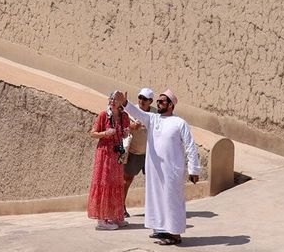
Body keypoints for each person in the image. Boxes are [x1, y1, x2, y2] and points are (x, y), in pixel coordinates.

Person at [124, 89, 201, 246]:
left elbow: (190, 146)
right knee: (157, 199)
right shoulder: (152, 118)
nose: (158, 104)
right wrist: (125, 103)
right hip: (155, 170)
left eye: (161, 102)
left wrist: (193, 170)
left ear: (170, 105)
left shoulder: (180, 123)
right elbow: (137, 113)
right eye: (157, 101)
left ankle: (175, 234)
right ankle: (161, 229)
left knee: (172, 201)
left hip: (172, 171)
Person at [86, 90, 131, 230]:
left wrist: (126, 132)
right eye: (111, 98)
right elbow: (92, 133)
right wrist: (105, 133)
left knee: (116, 183)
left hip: (117, 154)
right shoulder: (103, 115)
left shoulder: (124, 116)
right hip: (105, 153)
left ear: (120, 102)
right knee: (104, 183)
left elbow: (126, 132)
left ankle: (115, 216)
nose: (112, 101)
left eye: (115, 99)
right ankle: (102, 220)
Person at [122, 87, 153, 211]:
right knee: (127, 180)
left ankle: (155, 207)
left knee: (154, 181)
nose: (141, 101)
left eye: (145, 99)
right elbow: (121, 125)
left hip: (151, 153)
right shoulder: (130, 110)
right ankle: (121, 206)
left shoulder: (155, 113)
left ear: (150, 101)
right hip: (134, 152)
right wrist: (131, 126)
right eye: (140, 97)